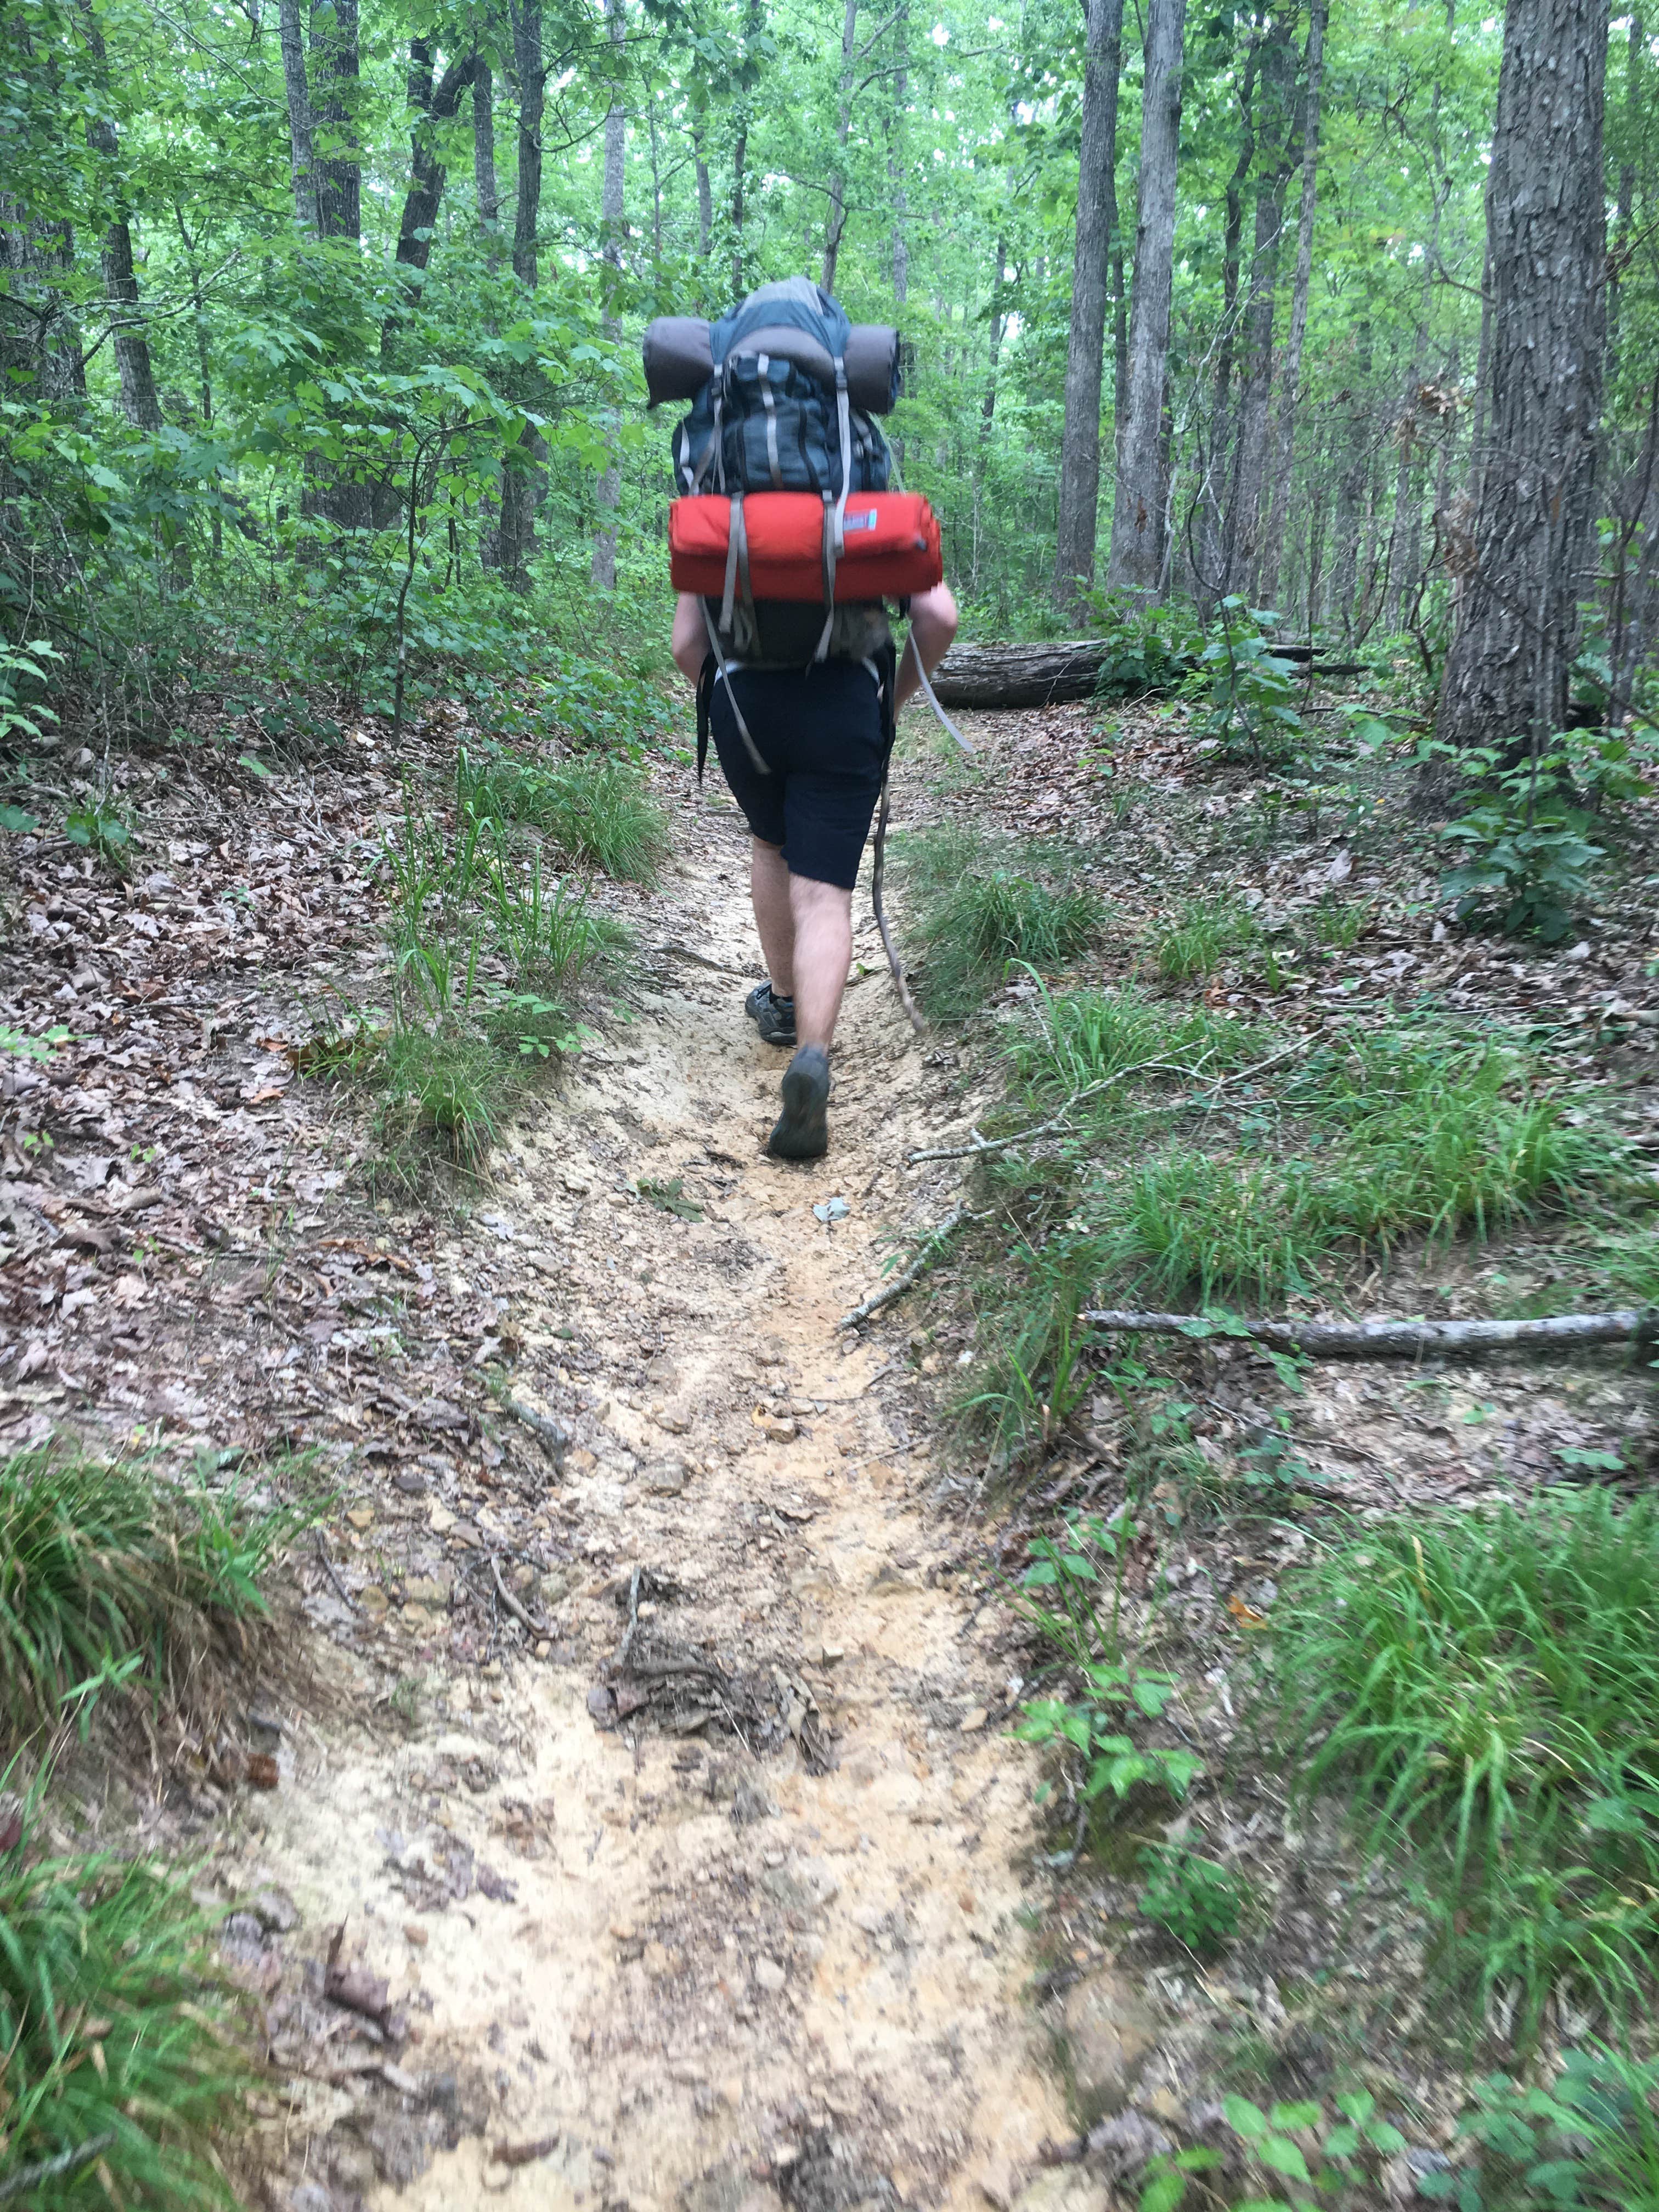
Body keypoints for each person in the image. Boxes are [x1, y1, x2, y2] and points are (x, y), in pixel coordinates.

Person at [672, 581, 958, 1160]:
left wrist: (731, 689)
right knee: (824, 896)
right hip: (847, 698)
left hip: (742, 700)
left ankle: (782, 1003)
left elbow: (685, 643)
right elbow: (938, 618)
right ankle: (812, 1056)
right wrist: (889, 700)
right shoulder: (869, 498)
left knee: (770, 845)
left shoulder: (718, 496)